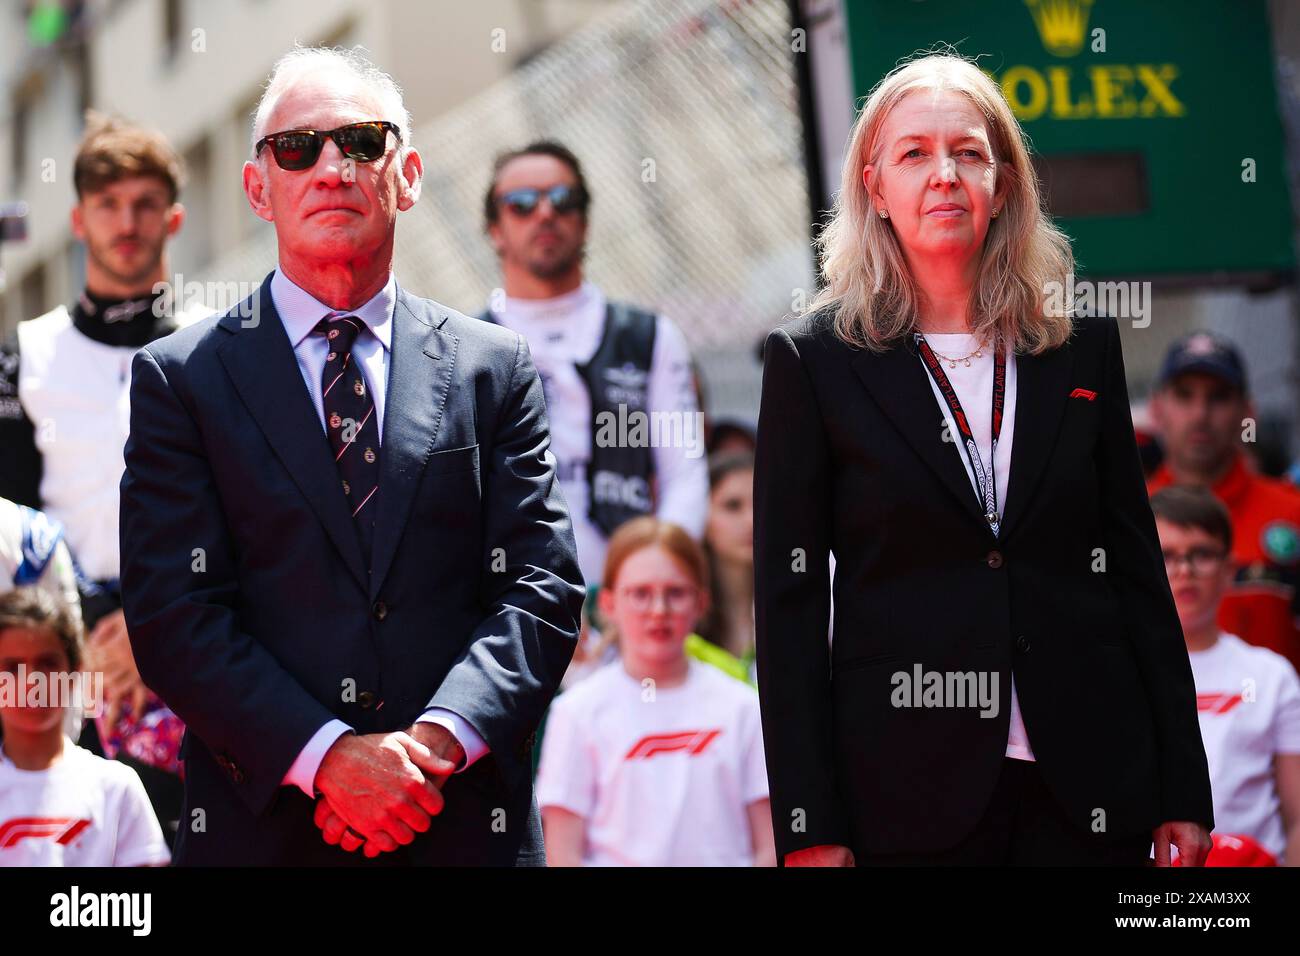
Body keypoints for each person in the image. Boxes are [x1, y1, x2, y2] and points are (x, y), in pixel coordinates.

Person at [118, 47, 584, 866]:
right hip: (265, 832)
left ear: (405, 175)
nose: (333, 166)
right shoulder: (180, 380)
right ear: (259, 187)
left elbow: (540, 588)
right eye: (297, 148)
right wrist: (329, 760)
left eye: (362, 142)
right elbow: (174, 617)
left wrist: (429, 752)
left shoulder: (494, 367)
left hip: (463, 822)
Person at [754, 52, 1213, 867]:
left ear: (1003, 184)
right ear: (874, 187)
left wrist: (1183, 787)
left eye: (969, 153)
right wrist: (809, 824)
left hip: (1092, 786)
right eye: (914, 154)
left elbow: (1137, 575)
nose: (944, 175)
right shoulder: (812, 362)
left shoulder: (1080, 348)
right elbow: (787, 614)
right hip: (904, 793)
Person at [0, 112, 203, 841]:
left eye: (145, 203)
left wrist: (154, 631)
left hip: (194, 647)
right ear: (79, 219)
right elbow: (13, 515)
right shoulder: (22, 357)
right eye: (108, 204)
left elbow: (242, 513)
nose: (128, 221)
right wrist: (93, 631)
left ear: (173, 217)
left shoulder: (216, 342)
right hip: (64, 660)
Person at [479, 141, 708, 589]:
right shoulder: (461, 349)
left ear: (584, 221)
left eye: (564, 200)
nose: (545, 213)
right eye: (521, 204)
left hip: (632, 617)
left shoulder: (650, 337)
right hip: (510, 609)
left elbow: (686, 473)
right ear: (495, 229)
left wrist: (645, 592)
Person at [535, 517, 774, 865]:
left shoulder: (743, 707)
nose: (658, 611)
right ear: (608, 604)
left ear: (701, 602)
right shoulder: (577, 712)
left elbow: (768, 845)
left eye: (675, 593)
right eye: (640, 594)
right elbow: (562, 853)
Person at [1151, 486, 1300, 865]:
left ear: (1230, 568)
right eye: (1167, 555)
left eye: (1201, 554)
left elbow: (1297, 818)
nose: (1185, 570)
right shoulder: (1114, 672)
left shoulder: (1272, 676)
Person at [1147, 332, 1300, 672]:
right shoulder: (1126, 516)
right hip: (1160, 723)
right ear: (1157, 409)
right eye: (1184, 396)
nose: (1200, 414)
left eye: (1218, 397)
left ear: (1248, 412)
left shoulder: (1292, 513)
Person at [0, 588, 169, 867]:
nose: (31, 684)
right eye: (12, 667)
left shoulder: (116, 789)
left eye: (46, 665)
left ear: (75, 672)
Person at [696, 450, 756, 680]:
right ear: (700, 515)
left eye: (762, 503)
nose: (751, 520)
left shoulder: (805, 607)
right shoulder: (681, 610)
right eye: (732, 505)